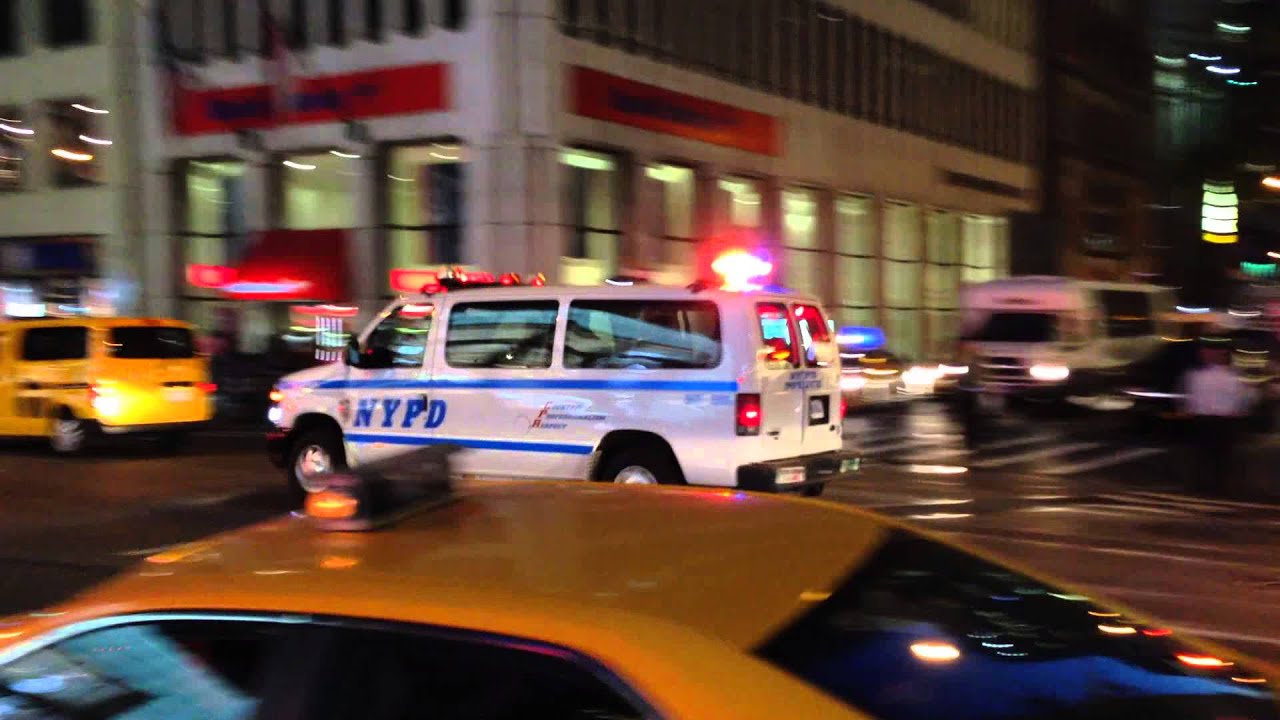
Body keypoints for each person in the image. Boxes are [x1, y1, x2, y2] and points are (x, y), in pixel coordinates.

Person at [1178, 337, 1256, 494]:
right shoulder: (1233, 377)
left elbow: (1188, 399)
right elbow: (1247, 399)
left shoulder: (1197, 376)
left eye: (1208, 351)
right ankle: (1215, 488)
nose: (1205, 354)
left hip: (1206, 421)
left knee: (1205, 458)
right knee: (1218, 459)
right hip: (1220, 422)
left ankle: (1203, 488)